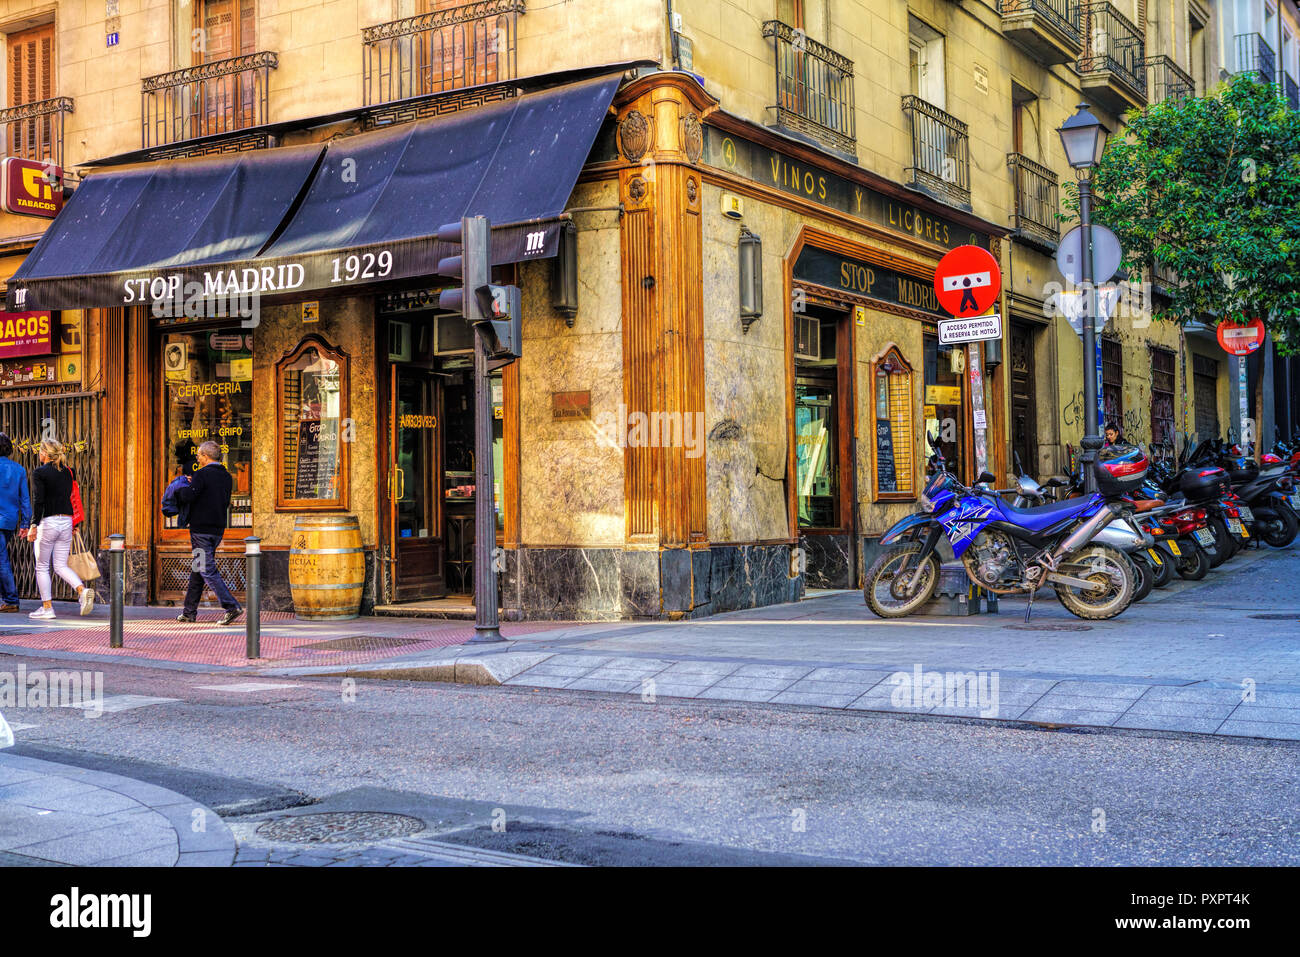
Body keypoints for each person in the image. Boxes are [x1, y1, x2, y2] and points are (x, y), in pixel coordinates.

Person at [174, 440, 241, 625]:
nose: (197, 458)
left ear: (205, 456)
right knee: (199, 568)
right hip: (217, 530)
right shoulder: (227, 476)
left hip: (201, 530)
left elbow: (189, 496)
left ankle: (231, 606)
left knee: (206, 569)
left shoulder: (201, 474)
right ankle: (189, 612)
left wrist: (181, 489)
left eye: (199, 455)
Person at [26, 439, 94, 620]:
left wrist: (33, 525)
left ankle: (47, 608)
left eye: (39, 451)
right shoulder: (69, 472)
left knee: (41, 567)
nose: (38, 454)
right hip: (66, 522)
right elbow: (72, 497)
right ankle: (82, 590)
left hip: (48, 523)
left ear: (46, 454)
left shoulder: (39, 473)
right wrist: (75, 524)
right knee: (60, 565)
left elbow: (38, 501)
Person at [0, 434, 31, 613]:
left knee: (2, 560)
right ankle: (8, 599)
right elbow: (25, 499)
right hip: (10, 520)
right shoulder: (19, 469)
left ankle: (11, 599)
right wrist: (26, 522)